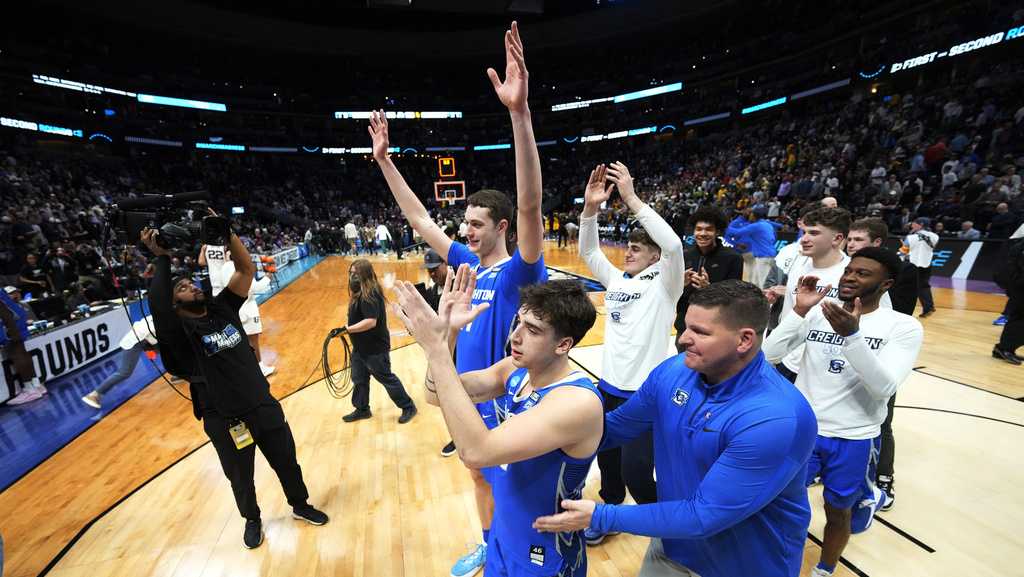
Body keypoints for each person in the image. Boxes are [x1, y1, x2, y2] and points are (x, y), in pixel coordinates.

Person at [367, 21, 547, 577]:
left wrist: (519, 116)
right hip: (462, 391)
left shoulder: (521, 268)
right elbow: (419, 217)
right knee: (475, 473)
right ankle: (491, 545)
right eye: (463, 223)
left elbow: (530, 204)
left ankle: (529, 549)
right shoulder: (465, 264)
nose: (465, 232)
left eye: (475, 224)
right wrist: (384, 162)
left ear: (499, 226)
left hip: (505, 391)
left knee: (518, 483)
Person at [531, 281, 817, 577]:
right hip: (674, 542)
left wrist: (600, 516)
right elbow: (617, 427)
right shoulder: (675, 371)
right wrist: (541, 436)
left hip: (748, 563)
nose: (683, 339)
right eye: (686, 327)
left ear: (744, 340)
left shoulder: (776, 418)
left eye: (700, 332)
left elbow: (705, 515)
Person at [393, 267, 602, 577]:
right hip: (504, 535)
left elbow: (476, 451)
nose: (515, 335)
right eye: (518, 321)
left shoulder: (577, 402)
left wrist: (436, 349)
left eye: (532, 330)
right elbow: (435, 393)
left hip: (544, 552)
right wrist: (448, 335)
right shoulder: (514, 370)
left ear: (563, 344)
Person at [142, 224, 328, 550]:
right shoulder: (179, 334)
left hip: (262, 403)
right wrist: (162, 259)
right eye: (182, 288)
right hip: (225, 418)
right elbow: (158, 306)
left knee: (287, 461)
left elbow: (246, 269)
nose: (192, 286)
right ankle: (252, 519)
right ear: (174, 305)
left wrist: (225, 231)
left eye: (191, 282)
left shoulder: (220, 308)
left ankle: (300, 505)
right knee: (241, 478)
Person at [763, 248, 923, 577]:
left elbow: (883, 387)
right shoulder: (820, 313)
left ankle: (825, 568)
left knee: (838, 512)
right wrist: (798, 310)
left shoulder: (903, 327)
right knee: (780, 502)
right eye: (849, 270)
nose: (850, 276)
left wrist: (852, 336)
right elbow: (768, 355)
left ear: (886, 284)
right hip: (804, 432)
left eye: (863, 273)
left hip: (854, 437)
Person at [578, 162, 685, 544]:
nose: (628, 253)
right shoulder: (618, 279)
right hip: (608, 386)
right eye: (628, 247)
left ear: (656, 257)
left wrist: (632, 199)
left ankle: (673, 529)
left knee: (638, 471)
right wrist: (590, 209)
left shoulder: (665, 283)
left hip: (647, 392)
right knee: (604, 456)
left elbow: (673, 245)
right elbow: (588, 249)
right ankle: (609, 513)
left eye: (637, 248)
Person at [846, 219, 918, 507]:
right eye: (849, 239)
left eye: (858, 239)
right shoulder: (846, 270)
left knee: (882, 420)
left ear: (876, 242)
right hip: (844, 349)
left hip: (881, 353)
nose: (851, 244)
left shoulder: (903, 272)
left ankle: (884, 475)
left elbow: (903, 312)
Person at [776, 208, 852, 382]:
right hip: (787, 360)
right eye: (804, 232)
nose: (804, 239)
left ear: (837, 238)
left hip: (825, 366)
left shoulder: (852, 273)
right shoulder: (798, 264)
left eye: (814, 233)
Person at [341, 259, 417, 424]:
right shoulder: (358, 291)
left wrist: (349, 329)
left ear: (365, 274)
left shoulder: (371, 293)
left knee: (387, 379)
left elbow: (371, 321)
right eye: (350, 273)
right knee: (359, 379)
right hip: (360, 348)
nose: (352, 276)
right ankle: (362, 409)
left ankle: (408, 406)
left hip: (375, 349)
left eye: (355, 273)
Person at [673, 206, 743, 350]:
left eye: (708, 229)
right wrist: (681, 284)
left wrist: (709, 289)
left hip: (714, 328)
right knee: (684, 367)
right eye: (699, 229)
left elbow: (735, 298)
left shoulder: (733, 258)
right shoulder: (684, 256)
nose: (702, 233)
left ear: (717, 231)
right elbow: (672, 295)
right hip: (684, 326)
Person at [200, 244, 275, 376]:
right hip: (246, 308)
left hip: (233, 307)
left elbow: (201, 262)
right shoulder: (237, 268)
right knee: (253, 340)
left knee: (239, 340)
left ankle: (247, 368)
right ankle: (259, 367)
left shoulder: (224, 267)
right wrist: (268, 278)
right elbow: (253, 288)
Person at [415, 249, 459, 457]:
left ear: (445, 265)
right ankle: (459, 437)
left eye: (435, 269)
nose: (431, 274)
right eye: (429, 271)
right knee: (448, 400)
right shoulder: (431, 293)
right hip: (444, 356)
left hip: (465, 351)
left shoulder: (461, 289)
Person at [81, 315, 159, 409]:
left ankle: (176, 372)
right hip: (133, 343)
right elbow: (151, 338)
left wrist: (152, 352)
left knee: (160, 352)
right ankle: (94, 395)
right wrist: (152, 352)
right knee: (124, 372)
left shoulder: (156, 315)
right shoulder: (159, 321)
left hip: (142, 342)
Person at [1, 287, 46, 405]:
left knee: (16, 354)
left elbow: (3, 310)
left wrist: (11, 329)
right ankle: (36, 385)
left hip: (9, 322)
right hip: (16, 318)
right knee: (22, 351)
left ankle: (30, 390)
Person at [725, 206, 780, 288]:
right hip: (770, 254)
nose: (749, 215)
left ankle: (764, 300)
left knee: (763, 283)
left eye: (751, 214)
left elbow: (736, 232)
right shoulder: (767, 224)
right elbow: (774, 236)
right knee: (757, 281)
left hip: (763, 257)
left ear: (754, 216)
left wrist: (723, 225)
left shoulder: (756, 226)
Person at [905, 217, 939, 317]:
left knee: (912, 286)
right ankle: (930, 306)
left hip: (913, 264)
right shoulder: (935, 236)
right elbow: (931, 247)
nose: (912, 225)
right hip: (927, 263)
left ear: (921, 224)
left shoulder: (911, 237)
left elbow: (904, 251)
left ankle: (925, 308)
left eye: (914, 223)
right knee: (924, 285)